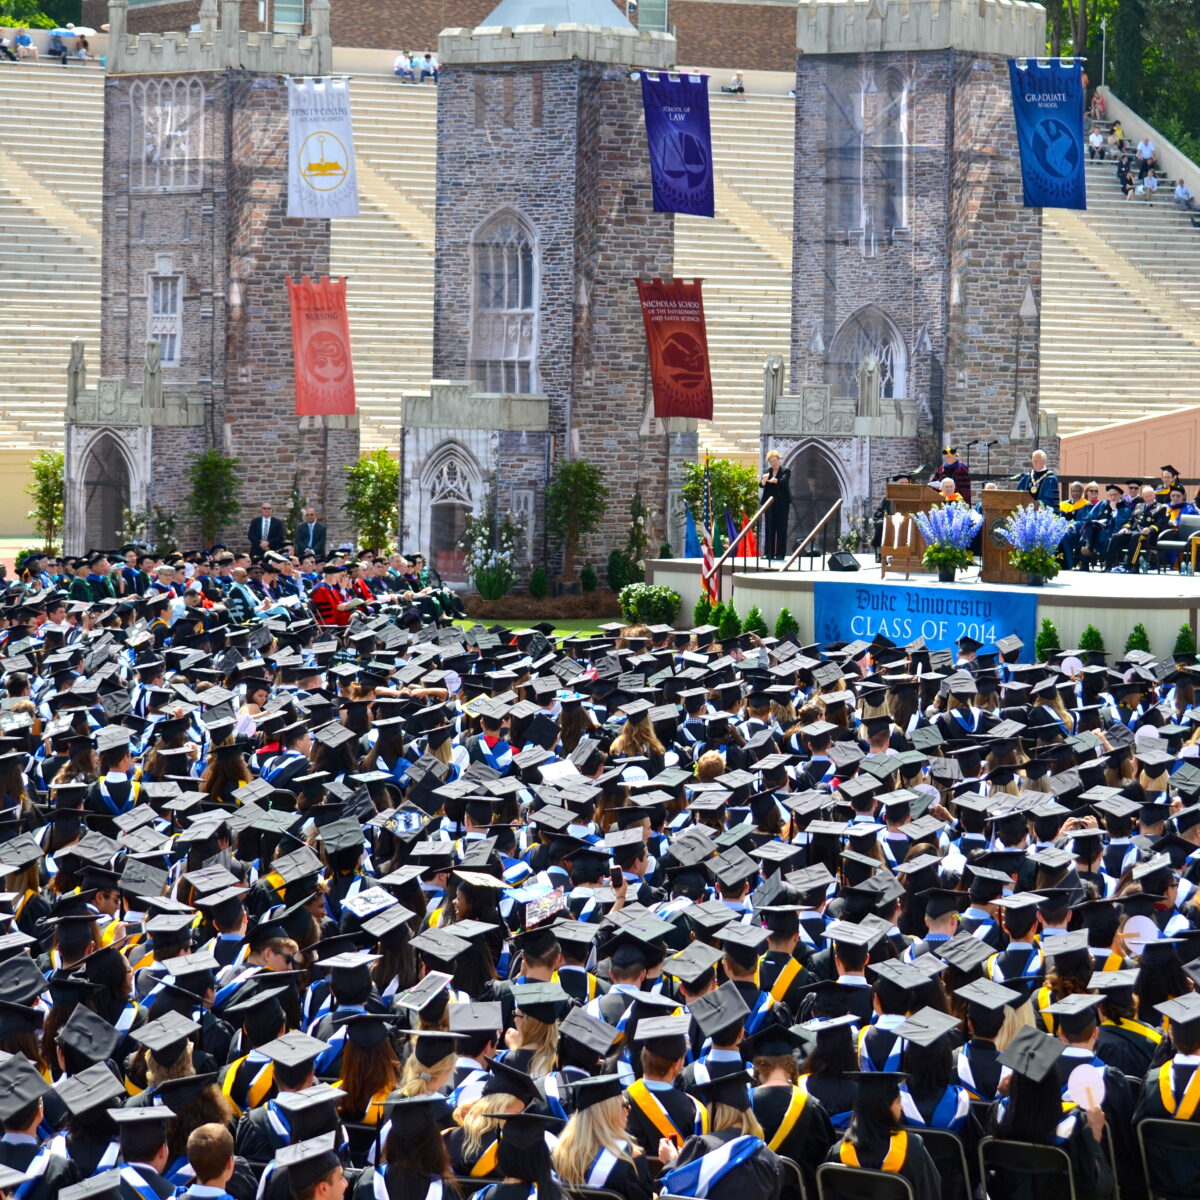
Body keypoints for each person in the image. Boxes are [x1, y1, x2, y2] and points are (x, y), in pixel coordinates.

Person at [826, 1072, 941, 1196]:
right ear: (884, 1108)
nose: (902, 1107)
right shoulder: (912, 1150)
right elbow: (931, 1193)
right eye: (898, 1101)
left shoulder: (837, 1155)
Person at [1105, 483, 1171, 571]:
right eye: (1146, 496)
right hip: (1134, 531)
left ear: (1154, 495)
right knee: (1116, 537)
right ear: (1142, 497)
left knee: (1136, 537)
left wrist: (1150, 529)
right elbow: (1131, 521)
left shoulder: (1161, 507)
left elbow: (1160, 523)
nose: (1148, 498)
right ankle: (1109, 565)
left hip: (1149, 535)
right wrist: (1125, 528)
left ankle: (1131, 565)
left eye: (1150, 496)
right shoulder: (1139, 506)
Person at [759, 449, 791, 560]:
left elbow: (784, 482)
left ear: (778, 459)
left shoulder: (786, 470)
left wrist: (775, 480)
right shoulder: (766, 471)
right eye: (771, 461)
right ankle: (769, 553)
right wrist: (764, 480)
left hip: (782, 504)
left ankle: (780, 554)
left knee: (781, 529)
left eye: (775, 460)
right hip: (769, 504)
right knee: (769, 528)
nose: (773, 463)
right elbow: (761, 485)